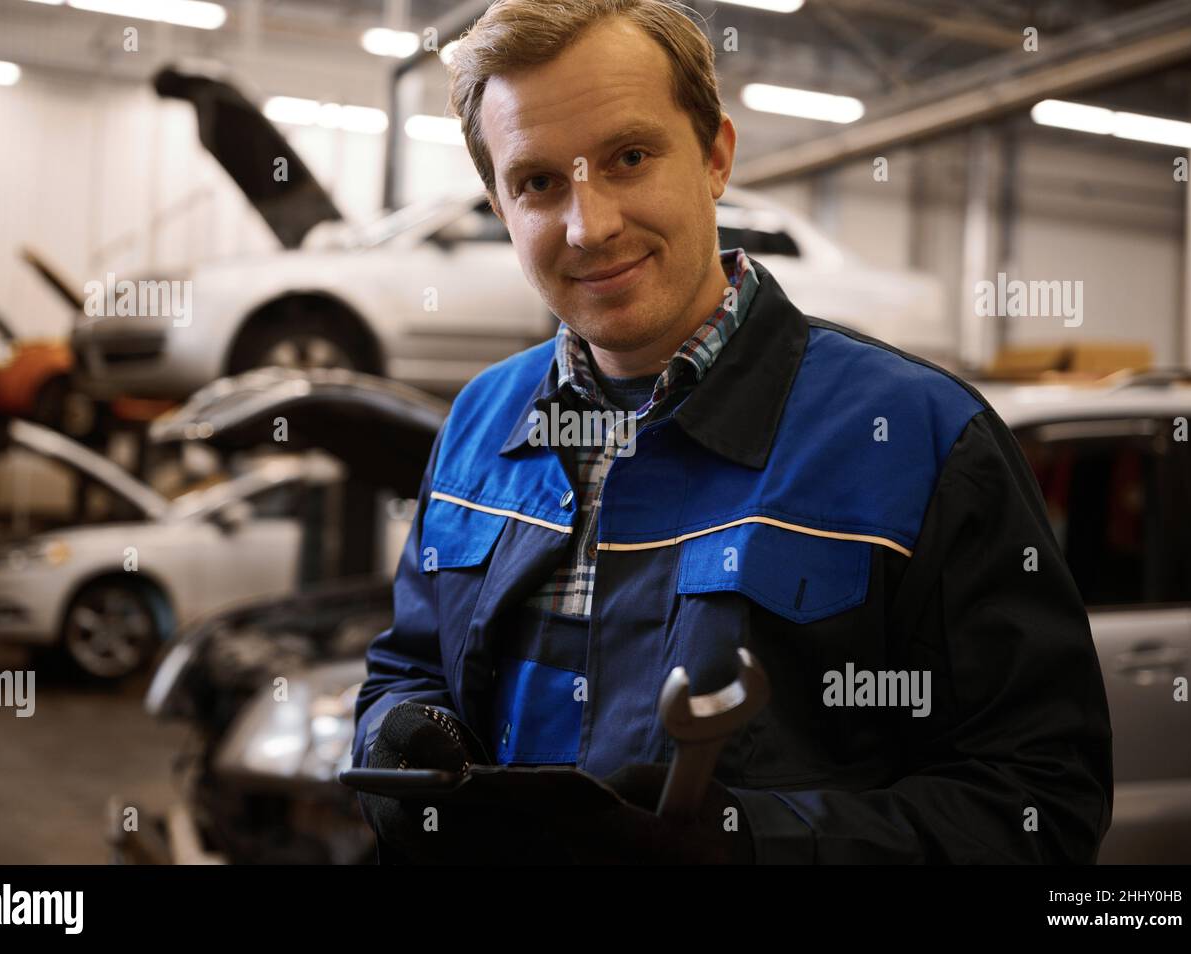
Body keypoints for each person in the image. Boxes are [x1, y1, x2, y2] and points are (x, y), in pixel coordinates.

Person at [352, 0, 1113, 864]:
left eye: (629, 158)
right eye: (539, 183)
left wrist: (750, 848)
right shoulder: (478, 423)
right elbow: (408, 665)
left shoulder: (923, 440)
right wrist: (397, 734)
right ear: (499, 202)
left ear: (715, 158)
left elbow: (1040, 803)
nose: (588, 225)